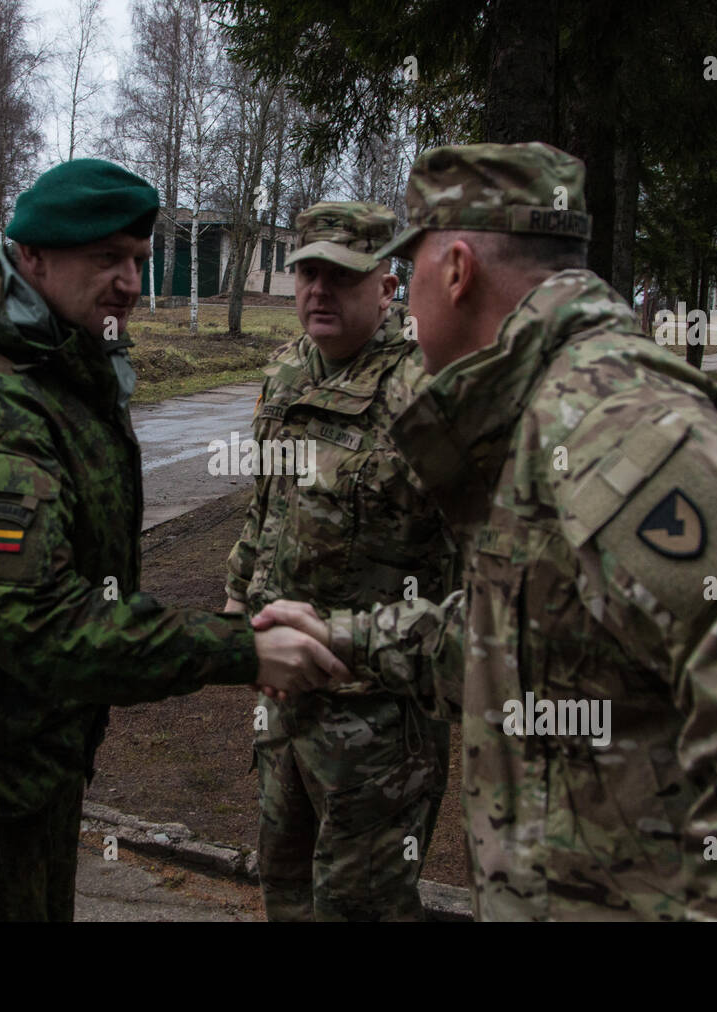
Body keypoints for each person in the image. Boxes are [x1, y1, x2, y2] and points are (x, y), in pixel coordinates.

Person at [255, 143, 717, 921]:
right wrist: (345, 638)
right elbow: (531, 633)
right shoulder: (544, 410)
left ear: (456, 270)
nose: (409, 301)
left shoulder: (608, 420)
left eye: (412, 266)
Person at [0, 159, 345, 922]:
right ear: (33, 257)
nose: (129, 280)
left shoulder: (59, 365)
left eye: (138, 258)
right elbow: (38, 626)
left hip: (35, 755)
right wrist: (240, 650)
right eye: (105, 258)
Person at [223, 201, 457, 921]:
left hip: (377, 719)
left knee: (362, 908)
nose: (318, 291)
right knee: (285, 888)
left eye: (342, 276)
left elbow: (478, 552)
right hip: (283, 702)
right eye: (307, 274)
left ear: (386, 286)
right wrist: (237, 594)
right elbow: (267, 504)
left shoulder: (425, 389)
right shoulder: (287, 372)